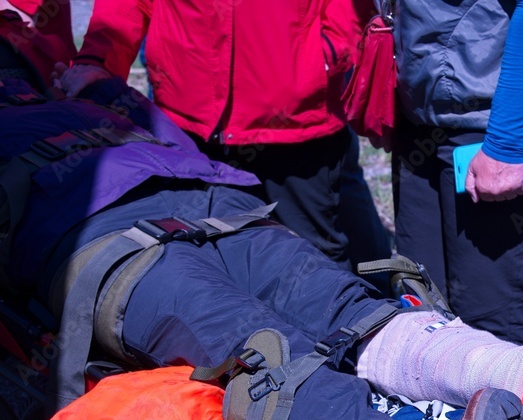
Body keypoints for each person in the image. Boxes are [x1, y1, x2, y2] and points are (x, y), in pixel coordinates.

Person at [0, 10, 523, 420]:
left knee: (349, 304)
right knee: (263, 351)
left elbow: (167, 129)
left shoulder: (83, 97)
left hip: (218, 209)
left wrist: (103, 86)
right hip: (104, 250)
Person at [56, 0, 391, 271]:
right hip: (189, 119)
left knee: (313, 259)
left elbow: (349, 12)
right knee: (209, 258)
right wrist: (98, 61)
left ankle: (351, 342)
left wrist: (319, 63)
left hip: (294, 125)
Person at [392, 0, 523, 344]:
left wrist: (506, 145)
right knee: (422, 314)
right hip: (427, 116)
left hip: (508, 125)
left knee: (494, 330)